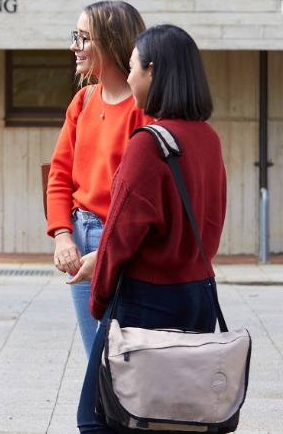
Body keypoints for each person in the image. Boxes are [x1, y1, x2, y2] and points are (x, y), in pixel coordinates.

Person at [73, 24, 227, 433]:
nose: (128, 77)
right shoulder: (207, 138)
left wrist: (100, 299)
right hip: (197, 294)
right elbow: (209, 221)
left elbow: (122, 233)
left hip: (146, 299)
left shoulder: (148, 143)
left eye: (133, 68)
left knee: (99, 418)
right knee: (172, 420)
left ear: (153, 72)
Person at [45, 0, 149, 354]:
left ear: (113, 41)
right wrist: (62, 236)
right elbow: (59, 174)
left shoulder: (145, 109)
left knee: (125, 360)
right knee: (96, 357)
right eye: (76, 36)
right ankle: (102, 413)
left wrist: (110, 250)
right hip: (79, 234)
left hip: (123, 240)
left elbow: (146, 195)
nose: (74, 46)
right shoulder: (84, 100)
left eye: (84, 38)